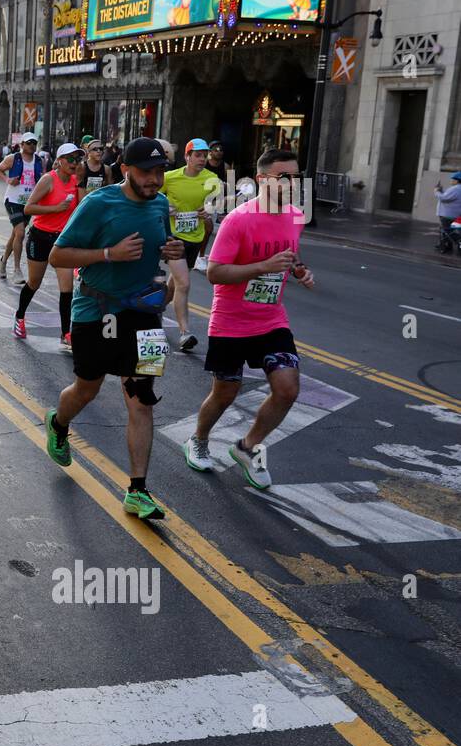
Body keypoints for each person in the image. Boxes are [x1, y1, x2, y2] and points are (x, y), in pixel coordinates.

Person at [44, 137, 185, 521]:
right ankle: (58, 423)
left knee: (141, 397)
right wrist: (109, 254)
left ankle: (137, 490)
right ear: (125, 170)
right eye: (146, 172)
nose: (155, 180)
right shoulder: (98, 203)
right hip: (98, 310)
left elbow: (160, 245)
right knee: (87, 388)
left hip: (145, 313)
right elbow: (58, 254)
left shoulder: (159, 205)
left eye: (159, 171)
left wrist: (170, 251)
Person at [184, 149, 314, 488]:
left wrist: (299, 271)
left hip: (271, 319)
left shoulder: (296, 216)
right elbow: (214, 272)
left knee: (287, 389)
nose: (291, 183)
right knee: (226, 392)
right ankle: (198, 439)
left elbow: (290, 253)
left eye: (296, 176)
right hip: (230, 321)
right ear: (262, 180)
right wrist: (261, 267)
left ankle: (247, 447)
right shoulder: (238, 219)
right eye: (283, 176)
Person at [13, 144, 83, 349]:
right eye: (70, 159)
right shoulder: (48, 179)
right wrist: (56, 209)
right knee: (34, 282)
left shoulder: (74, 182)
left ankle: (66, 333)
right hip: (40, 237)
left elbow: (78, 209)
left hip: (62, 240)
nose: (74, 163)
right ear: (59, 160)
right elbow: (29, 208)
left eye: (77, 159)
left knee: (67, 287)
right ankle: (19, 317)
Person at [162, 138, 222, 352]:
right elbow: (151, 196)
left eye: (205, 155)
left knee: (174, 284)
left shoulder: (212, 179)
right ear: (187, 156)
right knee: (184, 284)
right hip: (174, 238)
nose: (202, 159)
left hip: (194, 238)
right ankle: (184, 332)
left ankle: (155, 312)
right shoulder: (170, 177)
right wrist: (164, 205)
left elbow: (216, 205)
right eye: (197, 155)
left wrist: (209, 211)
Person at [0, 136, 43, 285]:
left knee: (16, 234)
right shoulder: (13, 158)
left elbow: (42, 179)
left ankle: (2, 261)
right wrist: (8, 180)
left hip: (28, 203)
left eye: (34, 143)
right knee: (21, 233)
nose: (32, 146)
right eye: (29, 143)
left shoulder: (39, 160)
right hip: (13, 200)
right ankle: (17, 270)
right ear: (22, 144)